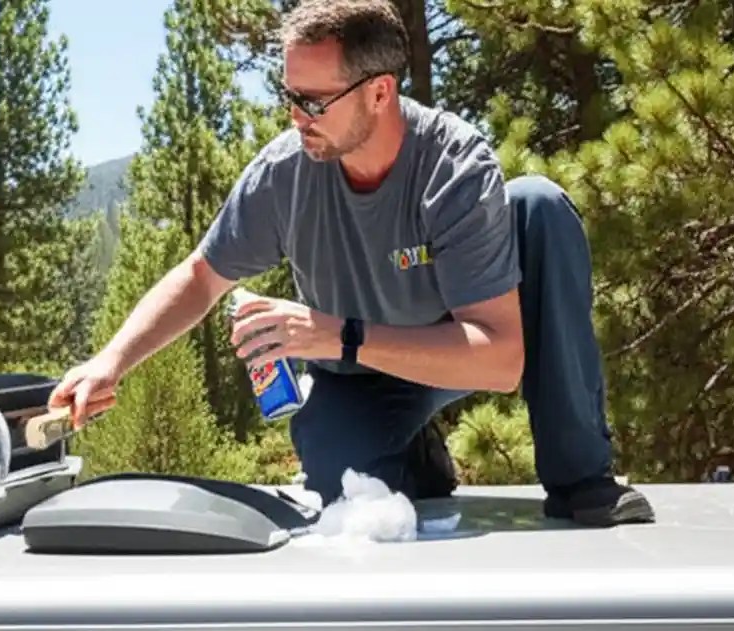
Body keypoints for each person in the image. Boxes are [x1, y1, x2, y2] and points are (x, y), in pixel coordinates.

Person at [48, 0, 654, 527]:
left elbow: (498, 361)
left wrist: (335, 335)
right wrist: (111, 360)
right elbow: (201, 275)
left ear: (380, 91)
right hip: (359, 376)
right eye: (288, 96)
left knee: (537, 205)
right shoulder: (285, 172)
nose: (295, 117)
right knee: (344, 496)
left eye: (313, 101)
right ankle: (415, 456)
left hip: (452, 346)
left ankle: (582, 480)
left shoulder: (454, 167)